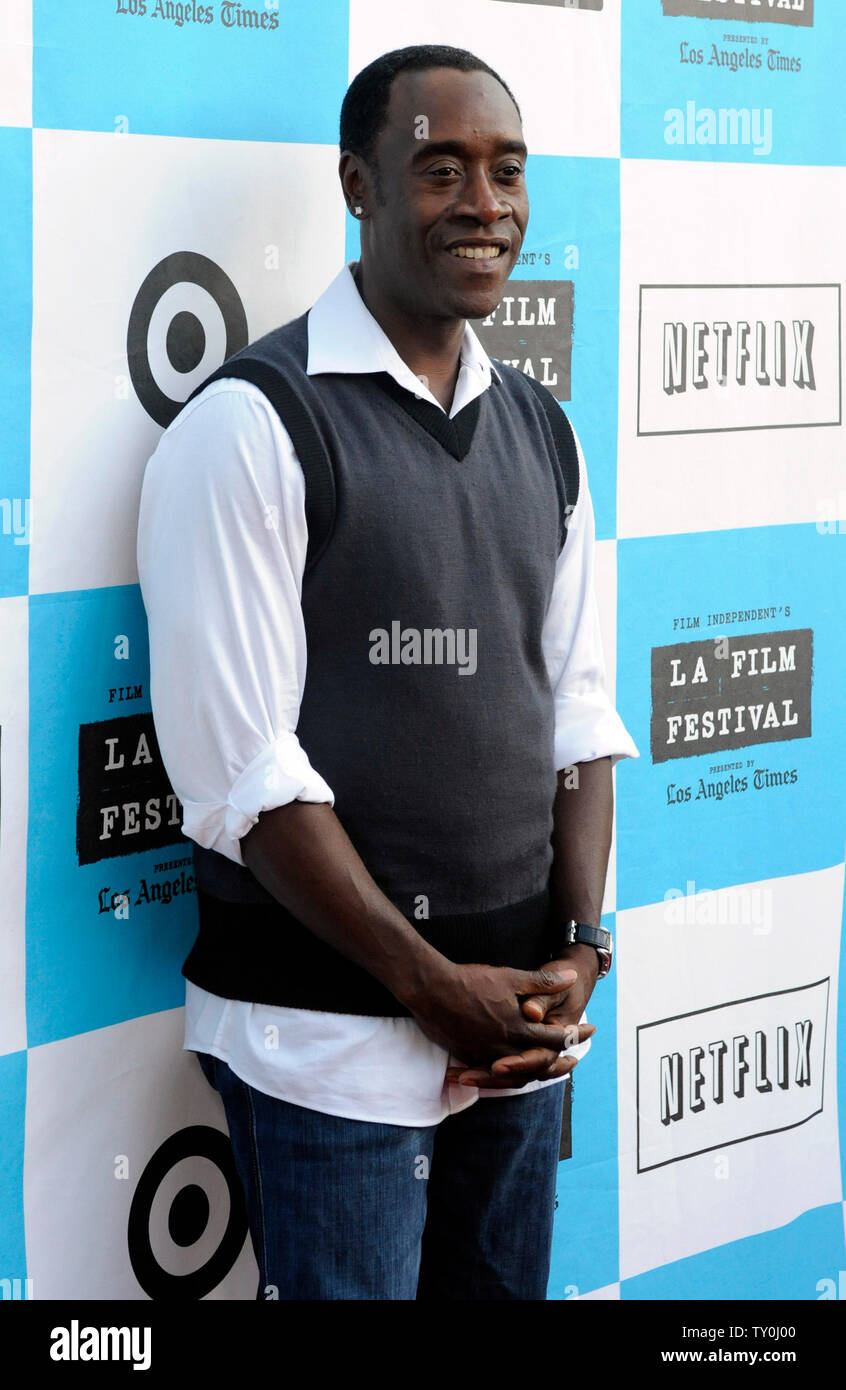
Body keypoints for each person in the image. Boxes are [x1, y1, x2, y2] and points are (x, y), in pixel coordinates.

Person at [136, 43, 638, 1301]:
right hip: (328, 1051)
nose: (486, 204)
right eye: (441, 168)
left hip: (523, 1031)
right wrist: (428, 987)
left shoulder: (545, 432)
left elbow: (577, 719)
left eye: (508, 170)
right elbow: (247, 779)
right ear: (357, 185)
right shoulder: (252, 426)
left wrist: (579, 948)